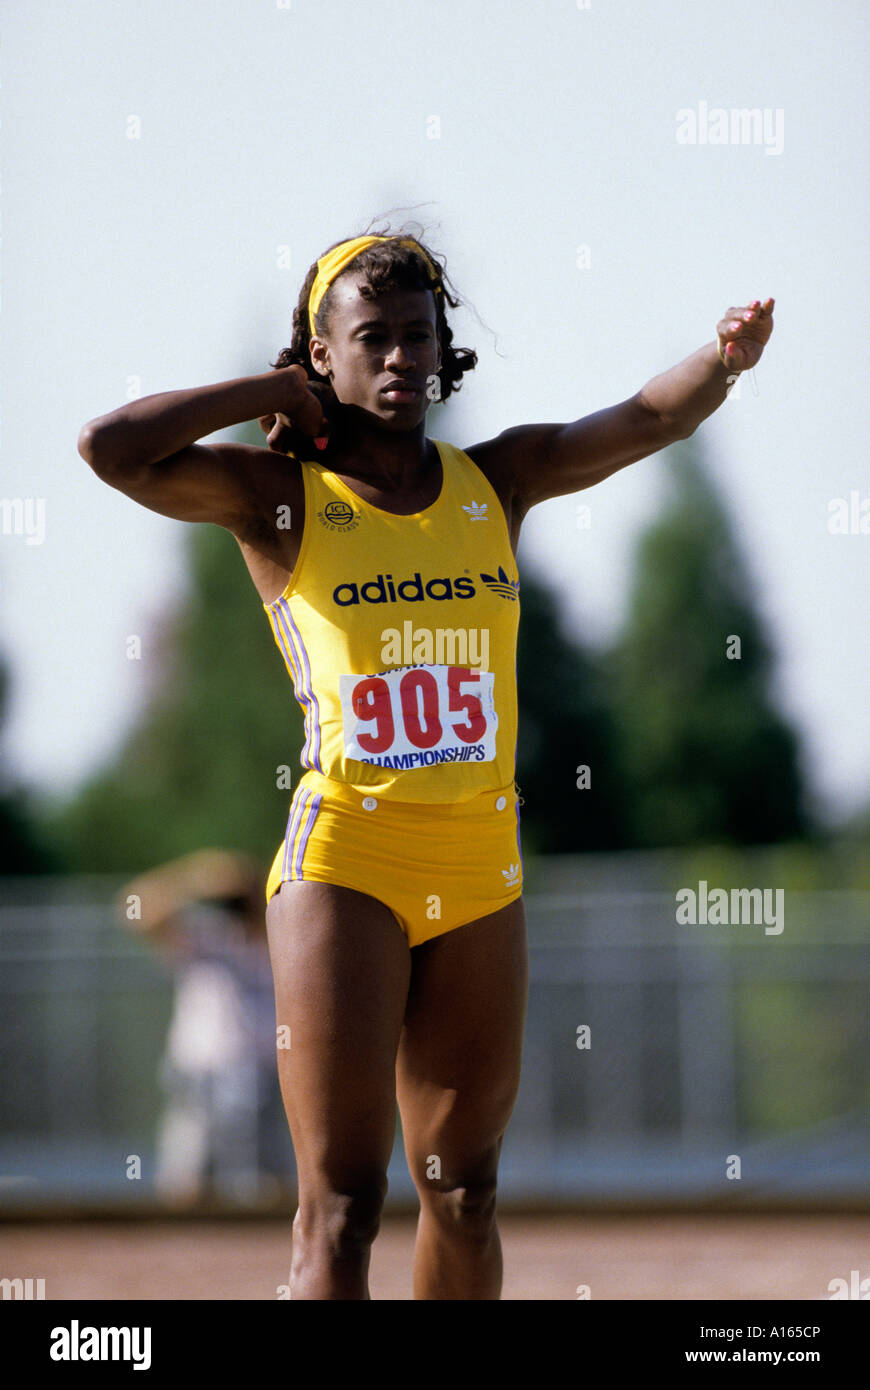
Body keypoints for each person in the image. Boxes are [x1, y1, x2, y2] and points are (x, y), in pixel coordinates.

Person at [78, 224, 774, 1298]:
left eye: (422, 336)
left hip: (481, 866)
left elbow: (647, 419)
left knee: (464, 1191)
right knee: (344, 1205)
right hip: (346, 857)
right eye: (376, 338)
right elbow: (112, 449)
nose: (406, 358)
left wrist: (722, 361)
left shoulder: (496, 482)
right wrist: (266, 388)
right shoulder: (279, 498)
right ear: (325, 355)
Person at [116, 849, 289, 1205]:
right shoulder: (206, 935)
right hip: (202, 1073)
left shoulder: (282, 936)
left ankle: (260, 1260)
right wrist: (194, 879)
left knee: (270, 1189)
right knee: (188, 1183)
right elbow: (133, 908)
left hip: (268, 1076)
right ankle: (181, 1260)